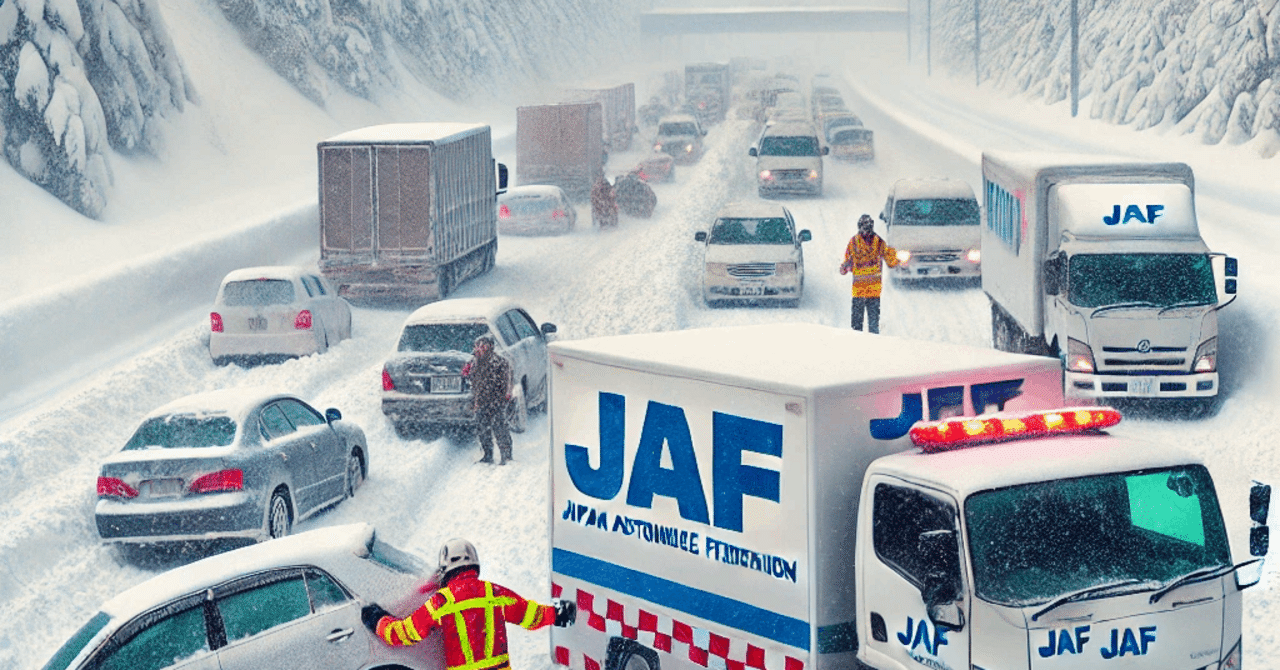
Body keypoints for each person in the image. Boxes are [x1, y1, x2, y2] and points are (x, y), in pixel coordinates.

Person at [362, 538, 577, 668]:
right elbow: (530, 615)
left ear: (445, 569)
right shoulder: (493, 593)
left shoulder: (441, 603)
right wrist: (558, 614)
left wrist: (377, 618)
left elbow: (404, 634)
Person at [839, 213, 899, 333]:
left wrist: (844, 268)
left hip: (859, 291)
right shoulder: (879, 242)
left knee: (856, 327)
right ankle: (873, 347)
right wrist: (896, 256)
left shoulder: (854, 242)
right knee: (873, 326)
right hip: (873, 291)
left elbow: (846, 265)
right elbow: (891, 262)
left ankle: (858, 347)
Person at [461, 334, 513, 464]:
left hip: (496, 401)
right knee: (482, 429)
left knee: (500, 428)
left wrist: (503, 397)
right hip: (481, 400)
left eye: (482, 345)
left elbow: (506, 382)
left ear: (490, 347)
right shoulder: (474, 362)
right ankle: (487, 454)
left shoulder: (499, 362)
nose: (479, 348)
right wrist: (467, 373)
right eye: (477, 346)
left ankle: (506, 455)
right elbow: (470, 378)